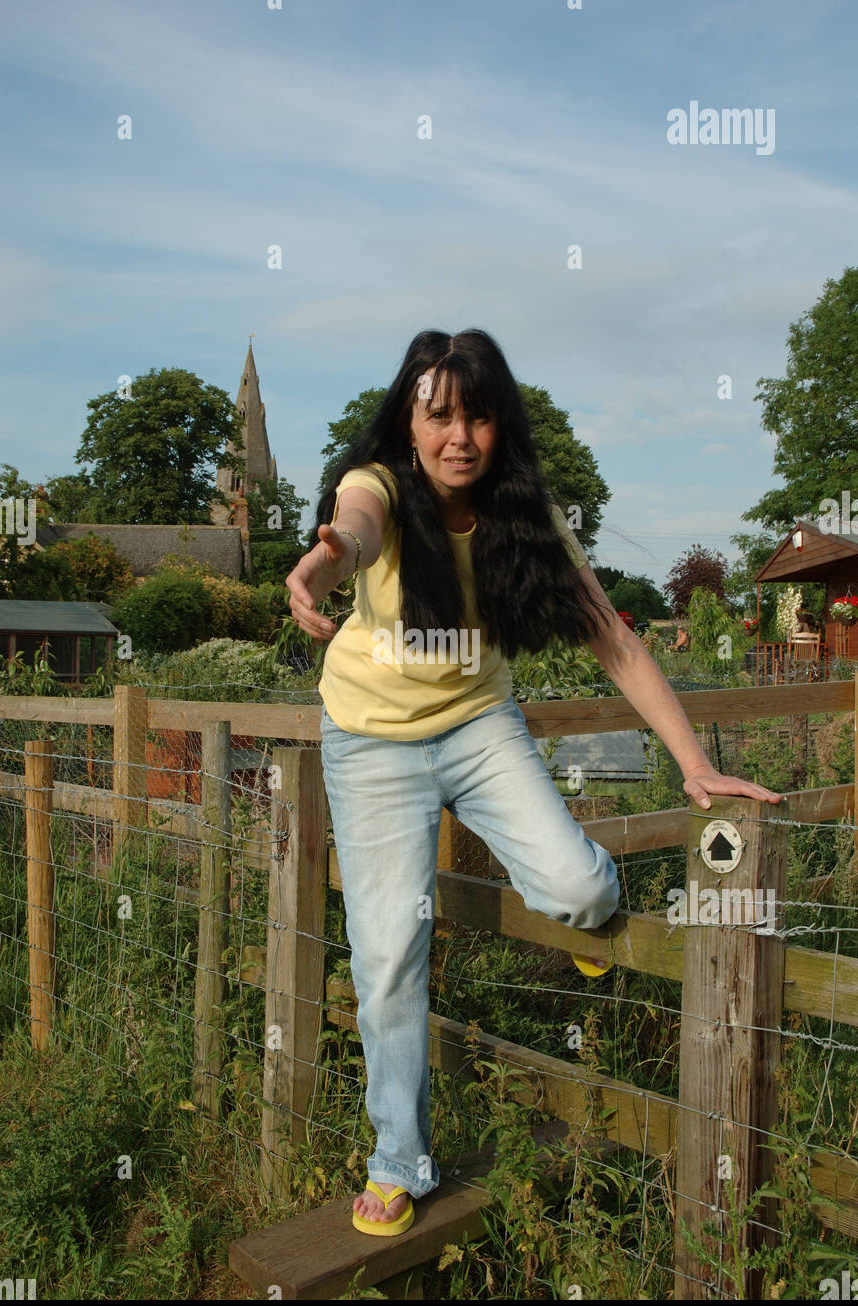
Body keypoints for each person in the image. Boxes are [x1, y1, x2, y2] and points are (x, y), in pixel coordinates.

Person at [285, 327, 783, 1237]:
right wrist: (323, 559)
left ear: (499, 423)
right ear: (410, 418)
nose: (459, 436)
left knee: (579, 887)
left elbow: (617, 641)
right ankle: (400, 1159)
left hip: (479, 726)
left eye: (477, 415)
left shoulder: (526, 512)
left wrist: (695, 763)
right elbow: (352, 531)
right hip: (371, 745)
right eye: (439, 417)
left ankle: (585, 921)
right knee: (390, 953)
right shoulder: (379, 488)